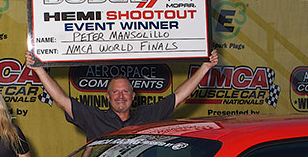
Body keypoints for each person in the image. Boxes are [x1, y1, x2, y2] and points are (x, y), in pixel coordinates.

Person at [25, 50, 220, 141]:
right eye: (115, 92)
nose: (121, 96)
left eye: (125, 91)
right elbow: (61, 100)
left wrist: (205, 67)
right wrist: (40, 70)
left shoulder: (148, 116)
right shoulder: (94, 118)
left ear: (133, 96)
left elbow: (179, 95)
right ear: (107, 97)